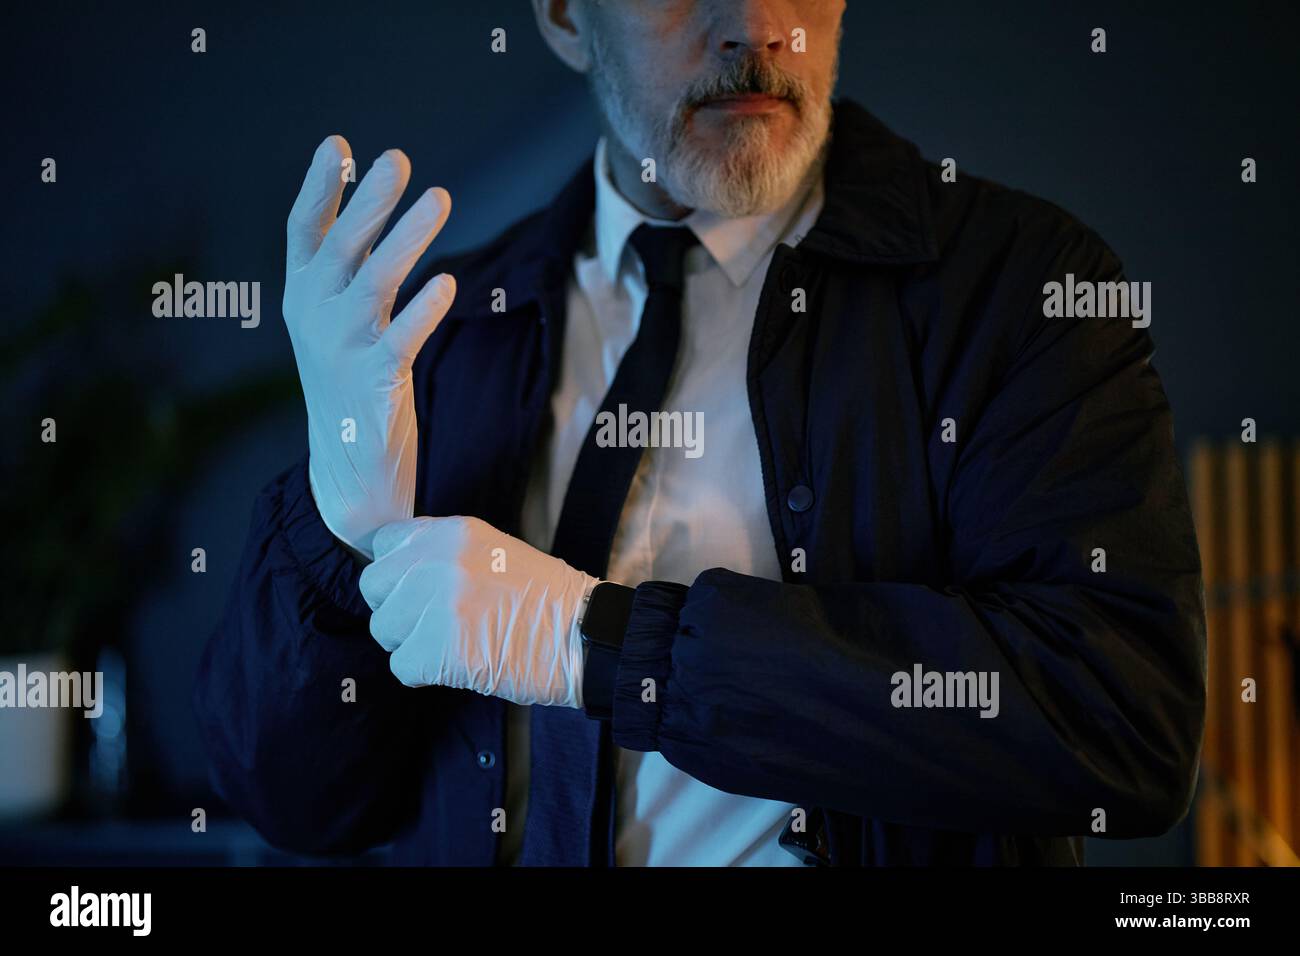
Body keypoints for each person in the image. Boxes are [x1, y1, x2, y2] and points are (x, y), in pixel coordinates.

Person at [193, 0, 1207, 866]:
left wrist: (599, 644)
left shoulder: (1016, 289)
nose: (756, 26)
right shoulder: (442, 334)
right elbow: (295, 802)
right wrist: (336, 531)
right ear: (560, 15)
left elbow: (1119, 720)